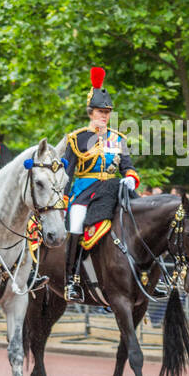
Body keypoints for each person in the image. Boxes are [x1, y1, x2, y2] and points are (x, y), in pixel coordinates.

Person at [62, 67, 141, 301]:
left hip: (114, 189)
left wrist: (130, 177)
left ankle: (146, 275)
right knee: (76, 224)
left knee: (140, 220)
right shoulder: (77, 138)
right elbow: (67, 173)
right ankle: (71, 280)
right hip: (84, 191)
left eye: (107, 112)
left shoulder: (118, 139)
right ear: (90, 112)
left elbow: (128, 166)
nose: (104, 116)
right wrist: (64, 200)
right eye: (100, 111)